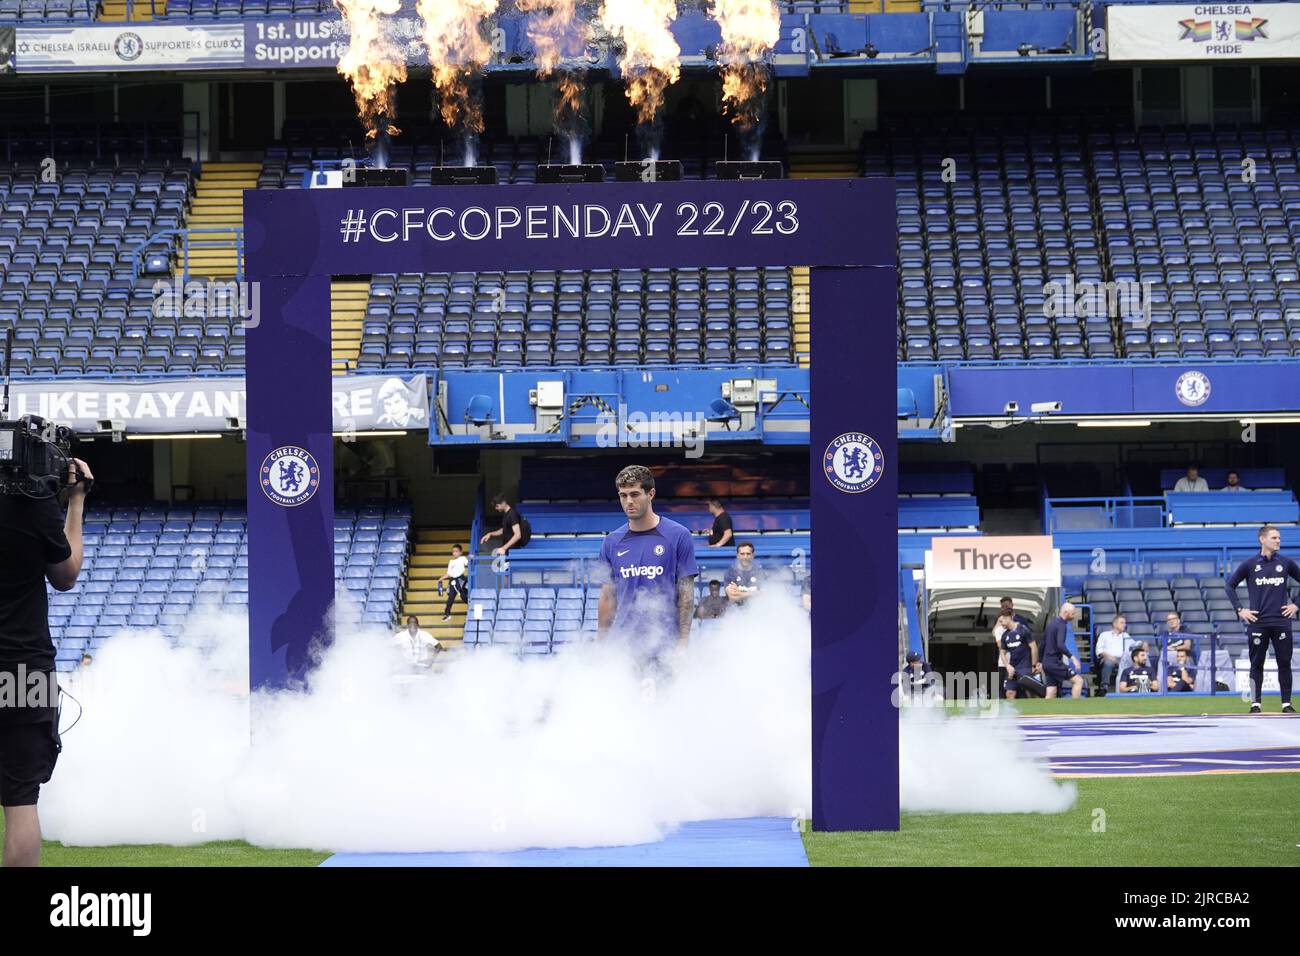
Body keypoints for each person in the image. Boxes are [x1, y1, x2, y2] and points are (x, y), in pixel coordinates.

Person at [0, 456, 92, 867]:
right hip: (23, 672)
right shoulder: (31, 501)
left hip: (24, 669)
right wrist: (75, 501)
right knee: (20, 800)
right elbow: (66, 574)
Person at [597, 465, 698, 672]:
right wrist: (601, 644)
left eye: (635, 494)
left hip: (663, 645)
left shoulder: (678, 536)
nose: (628, 502)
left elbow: (686, 594)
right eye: (623, 495)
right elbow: (608, 597)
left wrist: (683, 643)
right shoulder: (611, 542)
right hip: (624, 646)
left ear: (650, 494)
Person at [1225, 525, 1300, 714]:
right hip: (1258, 623)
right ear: (1262, 540)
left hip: (1281, 622)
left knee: (1284, 662)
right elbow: (1229, 586)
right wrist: (1240, 610)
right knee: (1256, 664)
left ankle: (1286, 704)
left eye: (1279, 538)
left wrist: (1296, 605)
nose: (1278, 541)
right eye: (1274, 538)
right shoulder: (1250, 564)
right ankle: (1255, 704)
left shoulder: (1286, 563)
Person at [1041, 603, 1084, 699]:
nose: (1074, 616)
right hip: (1054, 663)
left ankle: (1044, 712)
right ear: (1065, 613)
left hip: (1047, 663)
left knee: (1051, 692)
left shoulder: (1051, 624)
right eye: (1072, 614)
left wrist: (1040, 661)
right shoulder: (1062, 625)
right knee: (1078, 681)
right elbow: (1060, 645)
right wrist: (1073, 658)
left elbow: (1042, 644)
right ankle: (1076, 710)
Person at [995, 612, 1039, 700]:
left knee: (1030, 692)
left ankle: (1036, 712)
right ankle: (1011, 713)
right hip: (1013, 668)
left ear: (1008, 618)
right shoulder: (1005, 635)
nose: (1000, 624)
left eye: (1001, 621)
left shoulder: (1023, 629)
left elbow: (1034, 647)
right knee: (1010, 693)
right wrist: (1007, 666)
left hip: (1025, 667)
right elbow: (1002, 653)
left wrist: (1034, 665)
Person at [1093, 615, 1128, 696]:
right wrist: (1110, 657)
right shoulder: (1104, 635)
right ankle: (1104, 687)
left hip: (1122, 659)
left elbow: (1133, 646)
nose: (1124, 625)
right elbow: (1099, 650)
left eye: (1125, 623)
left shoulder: (1125, 635)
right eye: (1122, 623)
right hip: (1107, 657)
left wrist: (1142, 644)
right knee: (1108, 663)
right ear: (1115, 624)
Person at [438, 544, 469, 621]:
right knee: (450, 598)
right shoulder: (451, 561)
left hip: (460, 579)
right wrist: (441, 578)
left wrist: (470, 557)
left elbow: (468, 563)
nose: (455, 553)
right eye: (453, 552)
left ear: (461, 552)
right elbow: (449, 573)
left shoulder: (463, 558)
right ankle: (447, 614)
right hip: (452, 580)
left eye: (456, 551)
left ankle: (472, 608)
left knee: (463, 596)